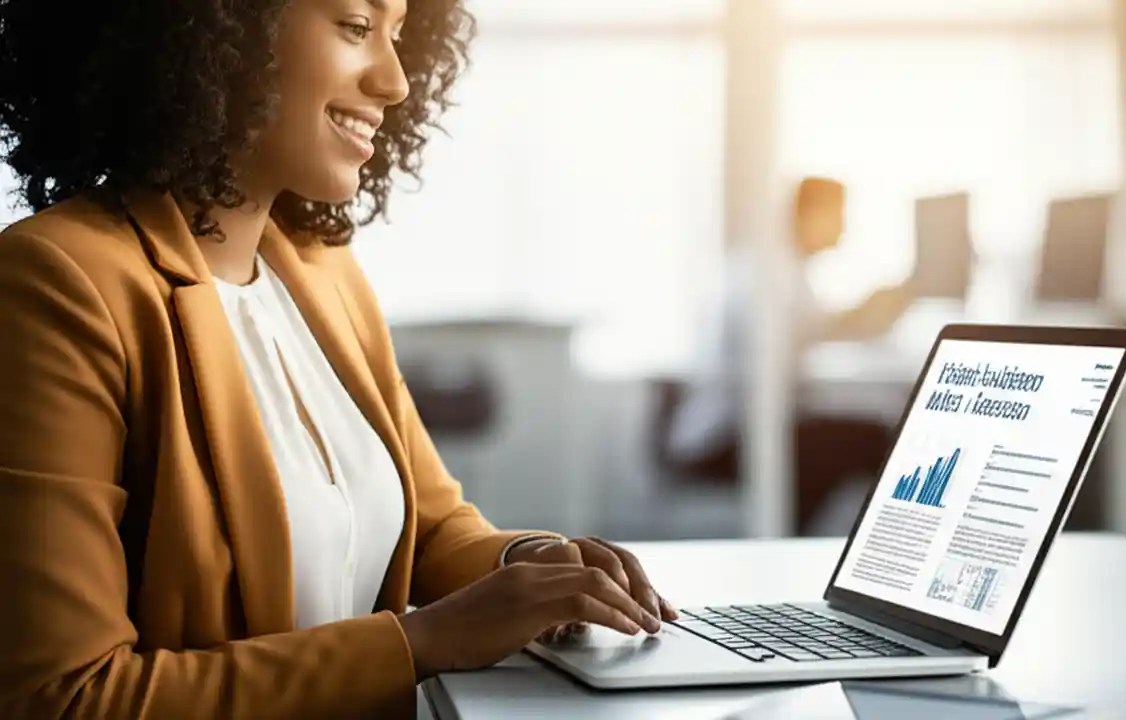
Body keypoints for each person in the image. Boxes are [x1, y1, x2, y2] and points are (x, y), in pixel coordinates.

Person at [0, 2, 675, 717]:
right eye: (356, 28)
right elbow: (61, 697)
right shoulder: (58, 284)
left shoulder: (322, 272)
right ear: (220, 30)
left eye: (399, 37)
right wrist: (419, 643)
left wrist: (535, 566)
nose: (395, 81)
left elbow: (434, 529)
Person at [665, 177, 916, 531]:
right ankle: (807, 539)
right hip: (723, 436)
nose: (844, 230)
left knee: (862, 434)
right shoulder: (768, 274)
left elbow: (812, 332)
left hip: (746, 425)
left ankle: (803, 534)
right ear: (811, 214)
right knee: (871, 439)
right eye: (838, 216)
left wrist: (862, 317)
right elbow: (785, 356)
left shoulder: (782, 269)